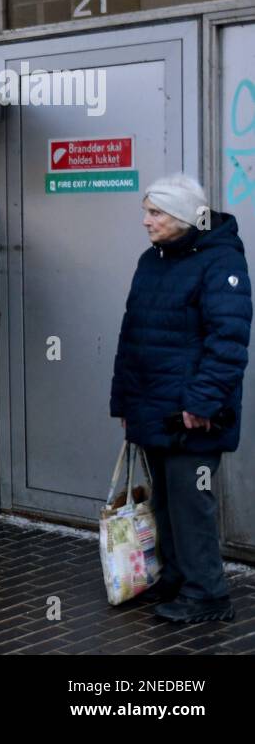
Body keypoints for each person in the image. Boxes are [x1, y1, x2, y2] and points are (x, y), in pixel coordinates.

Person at [110, 174, 250, 624]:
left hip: (194, 415)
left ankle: (208, 595)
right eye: (146, 211)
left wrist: (202, 403)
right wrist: (125, 405)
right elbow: (132, 337)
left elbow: (228, 341)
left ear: (185, 216)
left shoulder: (220, 260)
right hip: (153, 407)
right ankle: (174, 578)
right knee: (166, 504)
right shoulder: (152, 260)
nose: (145, 222)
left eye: (155, 213)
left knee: (193, 507)